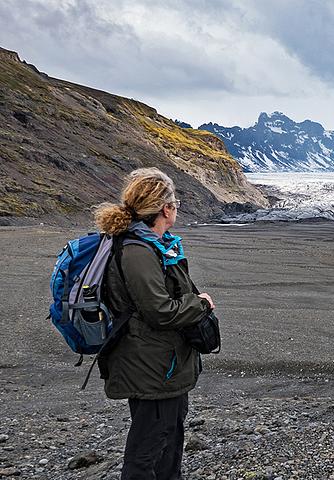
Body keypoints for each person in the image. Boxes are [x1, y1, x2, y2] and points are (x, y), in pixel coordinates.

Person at [94, 167, 215, 479]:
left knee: (168, 441)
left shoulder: (153, 244)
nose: (176, 209)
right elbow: (158, 311)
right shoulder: (137, 249)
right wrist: (199, 303)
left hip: (164, 364)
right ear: (165, 208)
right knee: (147, 450)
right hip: (153, 367)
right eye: (174, 203)